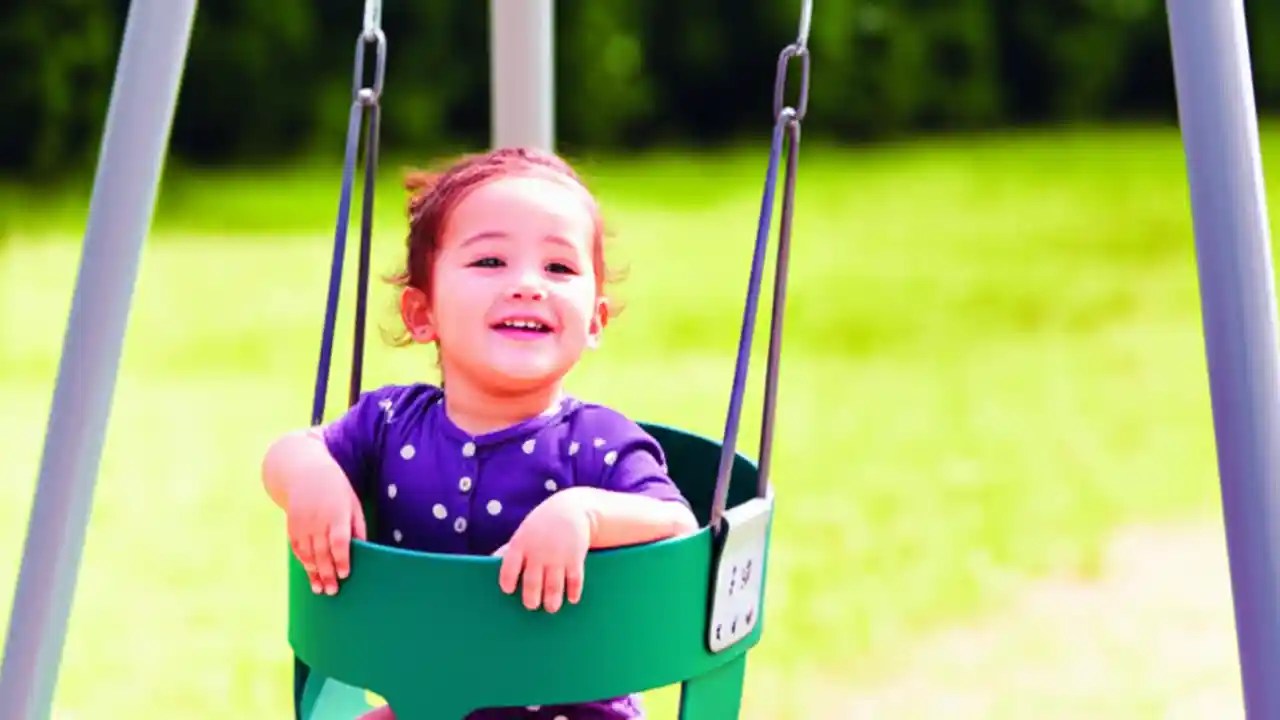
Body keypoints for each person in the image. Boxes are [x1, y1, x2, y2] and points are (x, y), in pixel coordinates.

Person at [261, 147, 700, 719]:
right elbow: (290, 451)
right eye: (491, 261)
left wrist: (584, 513)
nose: (528, 285)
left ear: (595, 320)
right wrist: (311, 475)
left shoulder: (598, 441)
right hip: (430, 704)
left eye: (559, 268)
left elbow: (676, 522)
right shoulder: (390, 422)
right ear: (422, 314)